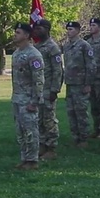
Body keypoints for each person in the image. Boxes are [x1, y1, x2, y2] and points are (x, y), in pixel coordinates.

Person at [10, 23, 45, 170]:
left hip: (29, 99)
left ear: (26, 35)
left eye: (18, 33)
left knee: (31, 130)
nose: (15, 35)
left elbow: (38, 80)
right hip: (18, 98)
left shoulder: (33, 54)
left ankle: (32, 160)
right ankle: (25, 158)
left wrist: (35, 101)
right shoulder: (16, 53)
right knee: (21, 131)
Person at [33, 19, 63, 160]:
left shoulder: (52, 47)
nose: (36, 31)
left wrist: (54, 90)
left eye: (39, 28)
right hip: (38, 89)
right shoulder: (37, 46)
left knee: (49, 119)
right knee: (39, 120)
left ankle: (51, 148)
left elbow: (58, 70)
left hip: (48, 89)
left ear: (46, 29)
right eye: (35, 28)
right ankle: (42, 145)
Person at [61, 22, 95, 148]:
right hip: (70, 83)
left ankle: (84, 138)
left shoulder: (84, 46)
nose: (68, 32)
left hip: (81, 84)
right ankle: (75, 137)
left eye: (71, 29)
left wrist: (88, 83)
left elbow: (91, 66)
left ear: (77, 31)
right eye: (67, 29)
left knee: (81, 112)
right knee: (71, 112)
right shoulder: (66, 46)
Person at [85, 18, 100, 139]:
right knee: (94, 105)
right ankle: (96, 129)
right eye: (90, 25)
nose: (91, 27)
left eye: (93, 25)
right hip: (91, 78)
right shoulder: (88, 42)